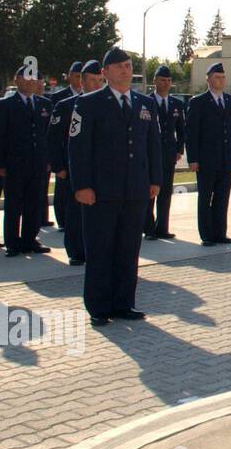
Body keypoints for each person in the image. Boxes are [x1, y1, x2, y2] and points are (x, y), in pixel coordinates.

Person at [68, 48, 162, 326]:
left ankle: (124, 303)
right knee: (100, 249)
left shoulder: (145, 104)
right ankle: (99, 307)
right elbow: (78, 148)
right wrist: (82, 185)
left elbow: (152, 144)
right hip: (101, 192)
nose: (125, 70)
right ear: (105, 72)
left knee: (128, 248)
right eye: (119, 66)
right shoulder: (88, 104)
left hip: (135, 190)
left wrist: (154, 179)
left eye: (129, 65)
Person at [0, 65, 53, 256]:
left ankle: (30, 239)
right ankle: (12, 242)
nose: (31, 82)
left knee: (34, 203)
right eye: (26, 78)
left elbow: (48, 135)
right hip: (14, 164)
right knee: (13, 204)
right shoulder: (5, 105)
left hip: (37, 163)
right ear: (16, 80)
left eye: (34, 78)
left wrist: (49, 159)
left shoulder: (44, 104)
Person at [49, 61, 102, 265]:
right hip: (74, 170)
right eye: (92, 80)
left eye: (100, 80)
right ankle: (76, 252)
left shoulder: (107, 106)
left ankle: (95, 251)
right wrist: (59, 167)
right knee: (75, 214)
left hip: (100, 172)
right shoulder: (67, 106)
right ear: (82, 81)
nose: (97, 85)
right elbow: (53, 140)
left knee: (98, 215)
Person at [186, 62, 231, 246]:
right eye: (217, 77)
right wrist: (192, 159)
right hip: (206, 159)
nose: (221, 80)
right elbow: (192, 133)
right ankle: (206, 234)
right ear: (208, 80)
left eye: (223, 77)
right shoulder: (198, 102)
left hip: (225, 158)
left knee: (222, 198)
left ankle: (220, 233)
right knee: (205, 197)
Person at [145, 65, 185, 240]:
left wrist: (179, 149)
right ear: (154, 81)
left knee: (165, 193)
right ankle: (149, 228)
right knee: (149, 192)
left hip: (168, 154)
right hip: (150, 155)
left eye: (169, 81)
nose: (166, 83)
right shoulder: (145, 102)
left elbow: (181, 129)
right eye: (162, 80)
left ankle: (163, 227)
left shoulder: (177, 104)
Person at [47, 61, 82, 231]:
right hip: (64, 153)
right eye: (77, 76)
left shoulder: (95, 98)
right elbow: (53, 134)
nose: (80, 80)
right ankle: (62, 220)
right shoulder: (60, 99)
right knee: (63, 192)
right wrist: (57, 162)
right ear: (69, 76)